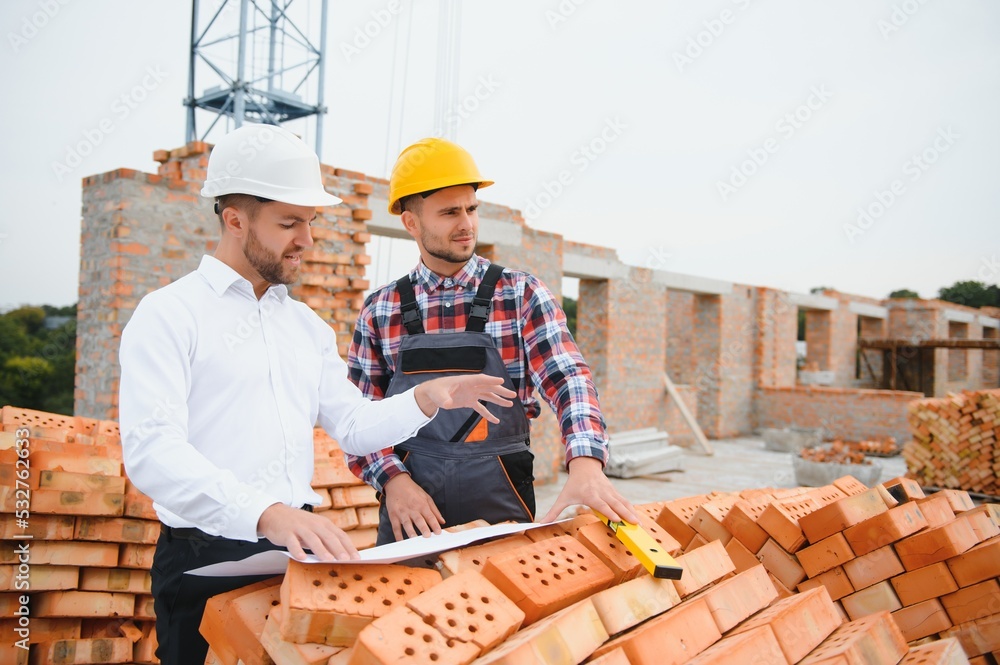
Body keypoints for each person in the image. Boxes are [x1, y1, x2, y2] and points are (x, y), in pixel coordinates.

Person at [118, 124, 515, 664]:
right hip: (204, 559)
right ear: (235, 219)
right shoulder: (169, 315)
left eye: (309, 222)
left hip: (295, 556)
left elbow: (351, 425)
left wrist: (428, 397)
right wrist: (267, 513)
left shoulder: (304, 325)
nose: (306, 240)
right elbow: (152, 452)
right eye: (289, 223)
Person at [346, 137, 639, 545]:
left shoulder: (520, 294)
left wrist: (586, 462)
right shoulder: (381, 309)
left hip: (501, 502)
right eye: (449, 212)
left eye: (471, 209)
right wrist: (393, 480)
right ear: (411, 223)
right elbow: (359, 417)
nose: (466, 224)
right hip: (410, 511)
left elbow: (569, 379)